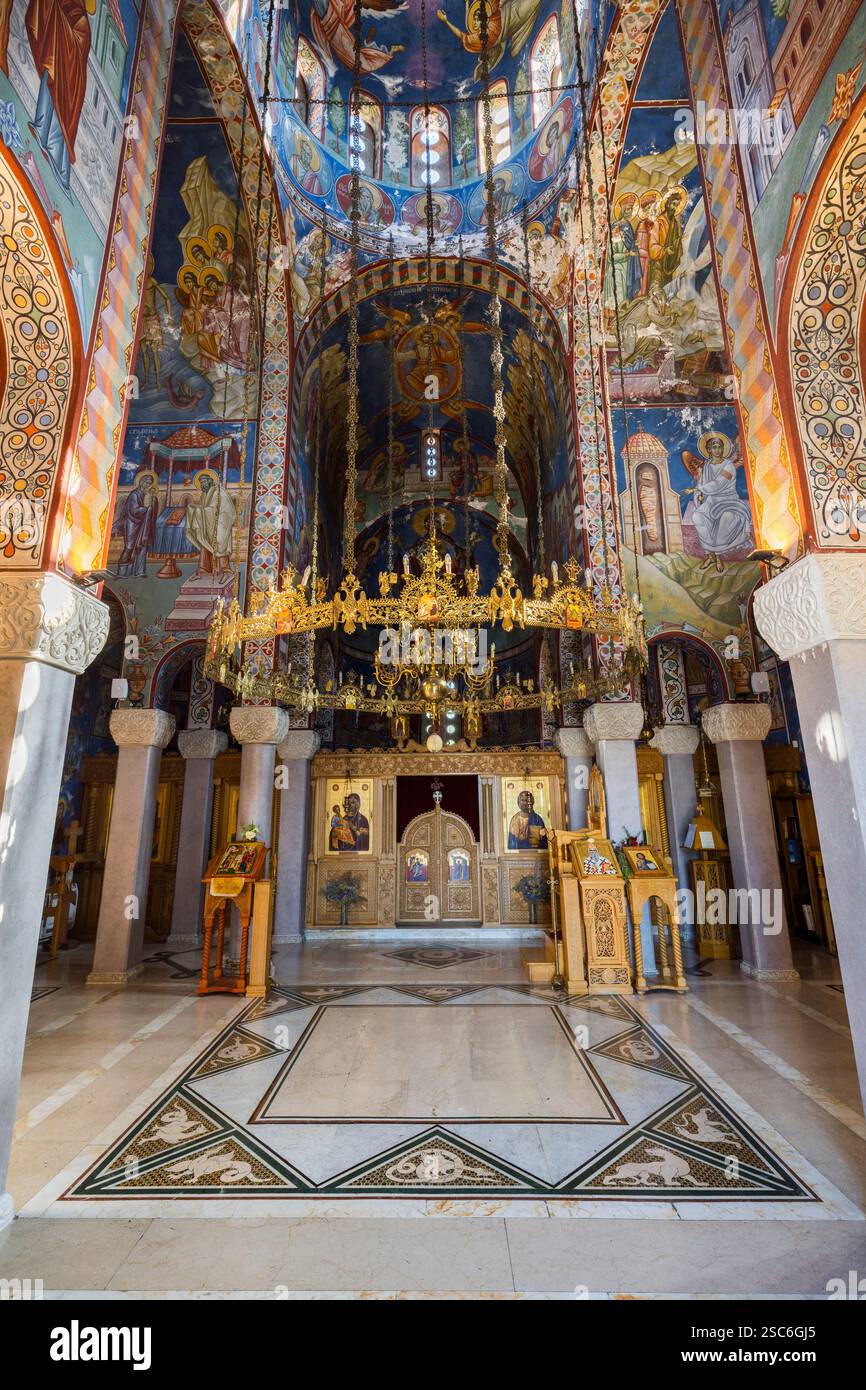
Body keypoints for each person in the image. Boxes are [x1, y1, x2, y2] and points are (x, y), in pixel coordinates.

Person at [682, 432, 753, 572]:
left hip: (728, 500)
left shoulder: (729, 466)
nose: (717, 450)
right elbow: (701, 484)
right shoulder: (707, 466)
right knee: (698, 516)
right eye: (714, 447)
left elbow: (718, 484)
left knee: (726, 517)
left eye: (719, 447)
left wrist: (699, 488)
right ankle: (710, 555)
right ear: (708, 450)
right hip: (711, 501)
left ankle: (719, 557)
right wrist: (699, 495)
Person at [185, 473, 236, 577]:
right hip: (208, 523)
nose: (202, 484)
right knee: (205, 540)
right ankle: (205, 568)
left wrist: (199, 511)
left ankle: (223, 568)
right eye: (201, 482)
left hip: (221, 523)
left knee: (219, 543)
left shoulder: (218, 492)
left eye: (204, 482)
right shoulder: (205, 494)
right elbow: (206, 509)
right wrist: (195, 509)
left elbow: (216, 510)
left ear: (210, 481)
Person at [113, 472, 158, 577]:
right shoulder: (134, 494)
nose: (146, 484)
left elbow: (152, 510)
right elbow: (133, 510)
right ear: (141, 481)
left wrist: (153, 504)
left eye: (149, 483)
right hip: (132, 524)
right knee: (129, 547)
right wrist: (146, 508)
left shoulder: (149, 496)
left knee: (143, 547)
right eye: (145, 481)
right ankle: (122, 572)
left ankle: (139, 571)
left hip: (144, 526)